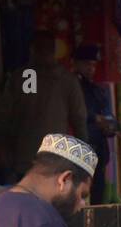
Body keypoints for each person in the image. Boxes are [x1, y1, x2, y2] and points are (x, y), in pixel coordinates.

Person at [12, 31, 88, 177]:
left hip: (27, 157)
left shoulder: (25, 77)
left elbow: (10, 114)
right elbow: (79, 120)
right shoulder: (66, 80)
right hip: (51, 158)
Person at [73, 44, 114, 204]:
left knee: (98, 194)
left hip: (98, 149)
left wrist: (110, 126)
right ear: (76, 63)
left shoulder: (97, 89)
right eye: (87, 64)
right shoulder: (72, 86)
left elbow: (107, 116)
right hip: (78, 149)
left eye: (93, 64)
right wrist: (95, 118)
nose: (91, 68)